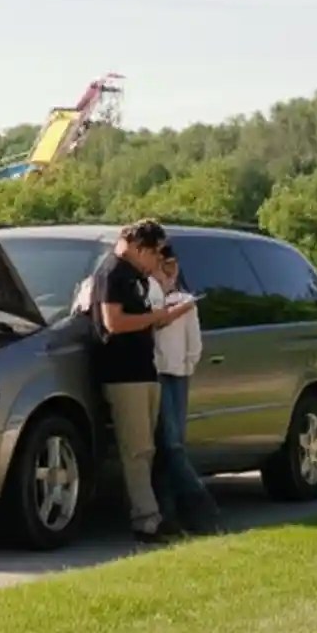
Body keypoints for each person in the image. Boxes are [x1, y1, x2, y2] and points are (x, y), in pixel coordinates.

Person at [88, 219, 196, 543]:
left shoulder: (137, 277)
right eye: (154, 253)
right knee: (136, 449)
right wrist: (159, 317)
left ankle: (151, 512)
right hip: (122, 372)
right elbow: (114, 321)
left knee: (147, 448)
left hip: (144, 369)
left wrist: (169, 315)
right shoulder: (112, 273)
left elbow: (142, 321)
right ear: (138, 247)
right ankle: (146, 520)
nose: (156, 261)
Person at [148, 245, 219, 534]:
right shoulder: (150, 296)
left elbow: (194, 339)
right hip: (156, 374)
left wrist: (189, 364)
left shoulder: (186, 301)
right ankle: (201, 504)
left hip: (178, 374)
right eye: (163, 264)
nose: (169, 271)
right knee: (169, 443)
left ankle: (171, 512)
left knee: (174, 441)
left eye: (172, 265)